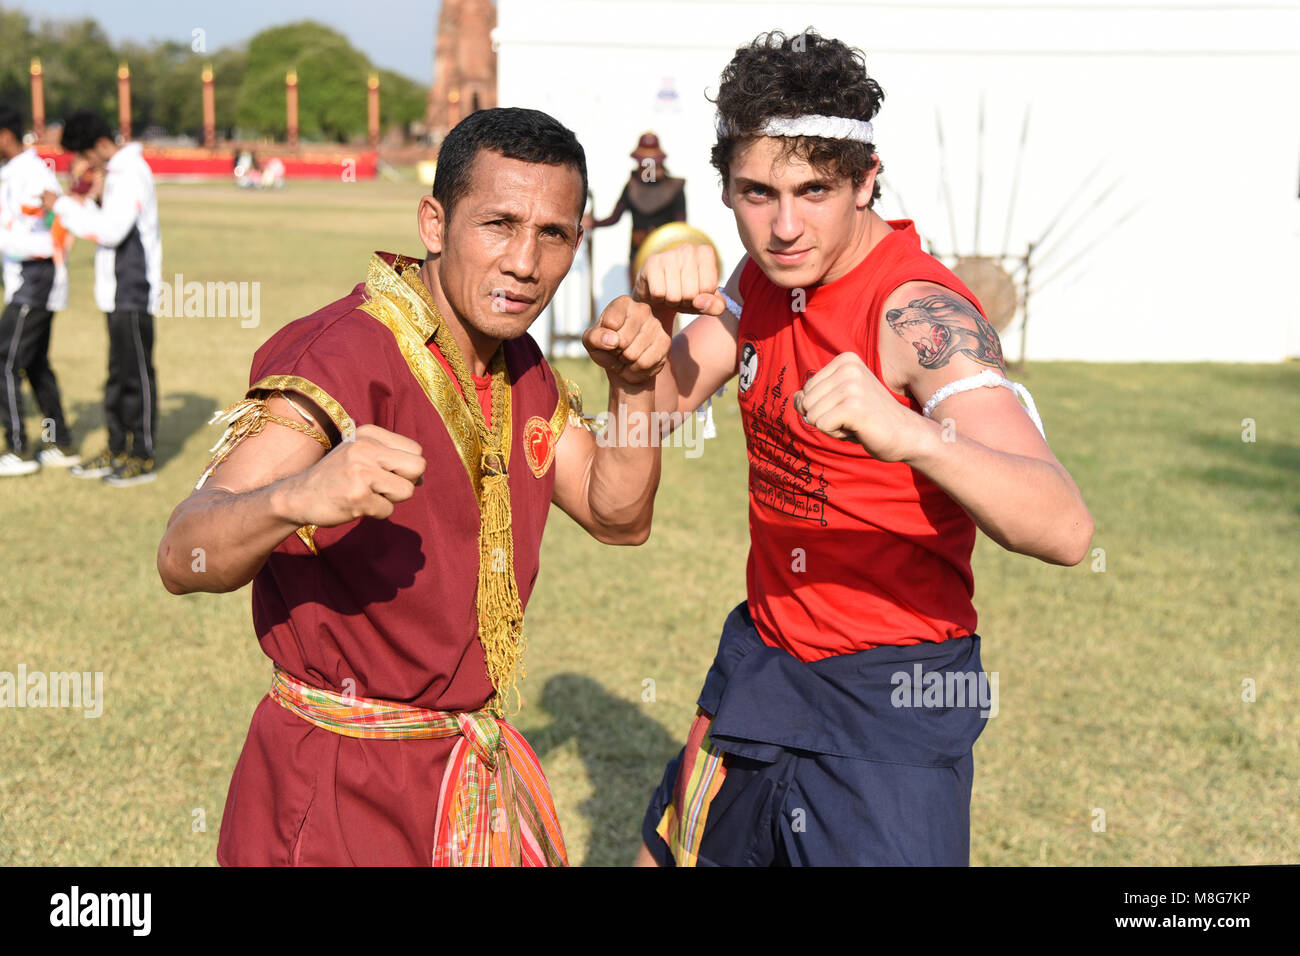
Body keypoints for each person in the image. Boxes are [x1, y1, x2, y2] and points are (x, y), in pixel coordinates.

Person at [155, 107, 671, 866]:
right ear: (435, 222)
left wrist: (635, 391)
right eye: (498, 224)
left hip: (463, 769)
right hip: (338, 779)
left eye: (552, 234)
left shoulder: (519, 361)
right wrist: (293, 499)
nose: (525, 262)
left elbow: (616, 514)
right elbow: (182, 553)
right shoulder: (343, 356)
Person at [633, 30, 1093, 866]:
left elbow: (1065, 529)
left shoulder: (915, 313)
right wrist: (639, 343)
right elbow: (654, 411)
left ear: (867, 179)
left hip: (897, 691)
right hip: (766, 658)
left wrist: (913, 434)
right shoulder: (759, 273)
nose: (783, 226)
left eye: (815, 190)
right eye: (756, 193)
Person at [44, 108, 162, 486]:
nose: (83, 164)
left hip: (133, 288)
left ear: (99, 145)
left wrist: (61, 206)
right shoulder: (116, 174)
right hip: (115, 290)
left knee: (136, 375)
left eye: (84, 154)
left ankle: (141, 455)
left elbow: (111, 232)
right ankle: (116, 446)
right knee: (116, 375)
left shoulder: (130, 173)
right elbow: (107, 222)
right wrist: (89, 200)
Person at [0, 102, 77, 476]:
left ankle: (17, 449)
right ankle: (59, 443)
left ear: (5, 135)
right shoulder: (12, 171)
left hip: (36, 280)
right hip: (24, 279)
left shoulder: (32, 173)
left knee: (4, 362)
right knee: (34, 364)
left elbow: (58, 229)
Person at [583, 132, 687, 283]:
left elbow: (680, 227)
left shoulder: (675, 188)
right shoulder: (632, 187)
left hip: (666, 256)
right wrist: (593, 223)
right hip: (638, 255)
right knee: (638, 300)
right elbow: (615, 217)